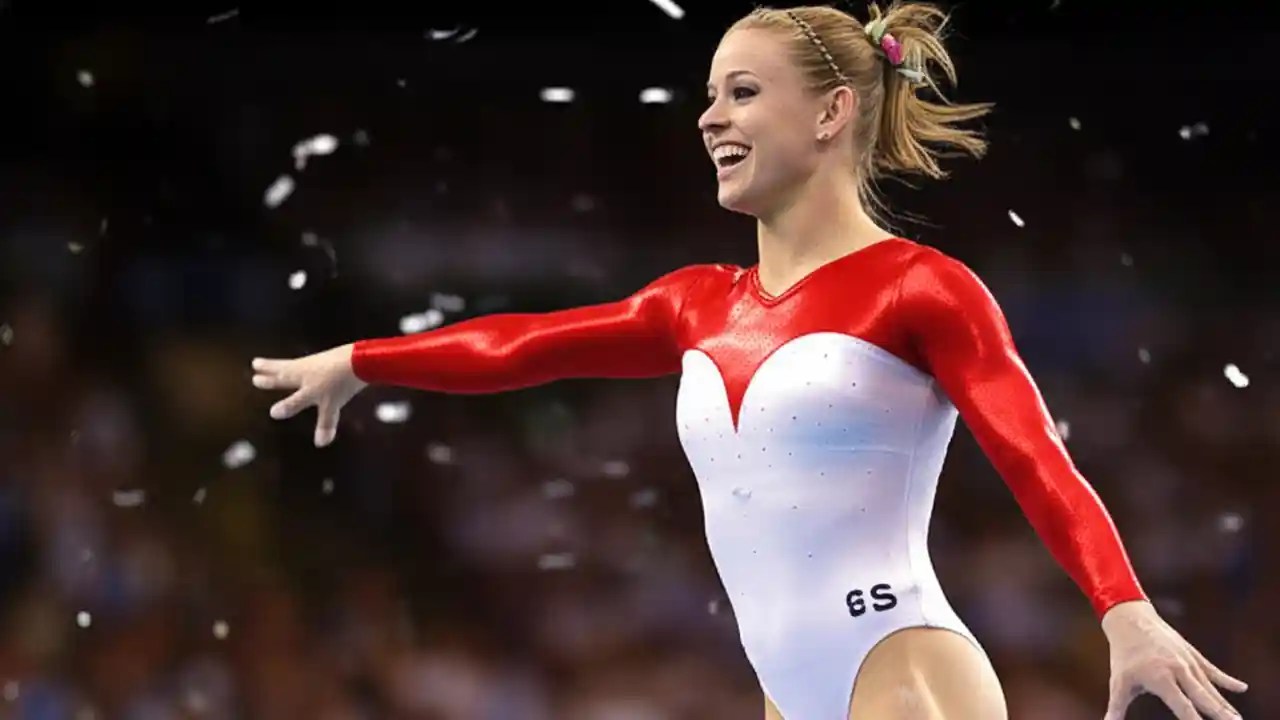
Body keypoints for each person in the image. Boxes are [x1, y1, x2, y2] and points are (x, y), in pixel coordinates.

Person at [250, 3, 1248, 718]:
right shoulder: (695, 302)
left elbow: (1034, 456)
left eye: (741, 92)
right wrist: (363, 360)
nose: (708, 117)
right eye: (707, 96)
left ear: (830, 114)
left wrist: (1124, 612)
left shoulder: (922, 288)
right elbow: (526, 347)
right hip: (783, 687)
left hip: (901, 667)